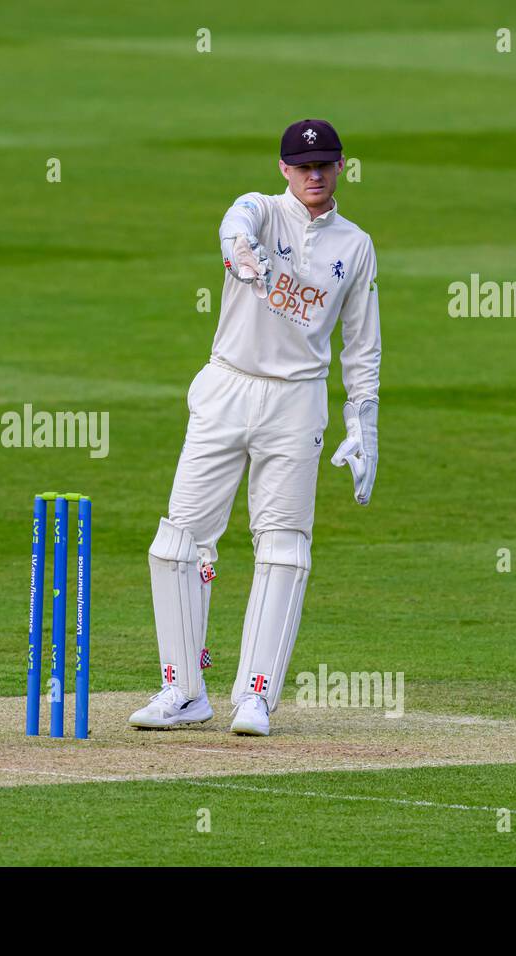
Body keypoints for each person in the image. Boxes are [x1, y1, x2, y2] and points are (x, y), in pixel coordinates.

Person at [129, 119, 381, 736]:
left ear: (341, 167)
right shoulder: (262, 212)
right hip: (227, 384)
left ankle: (256, 696)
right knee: (178, 543)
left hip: (297, 400)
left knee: (283, 548)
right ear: (284, 169)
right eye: (302, 166)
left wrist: (363, 423)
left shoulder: (357, 245)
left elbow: (361, 344)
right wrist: (238, 248)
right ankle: (183, 690)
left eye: (325, 165)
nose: (314, 176)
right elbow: (234, 221)